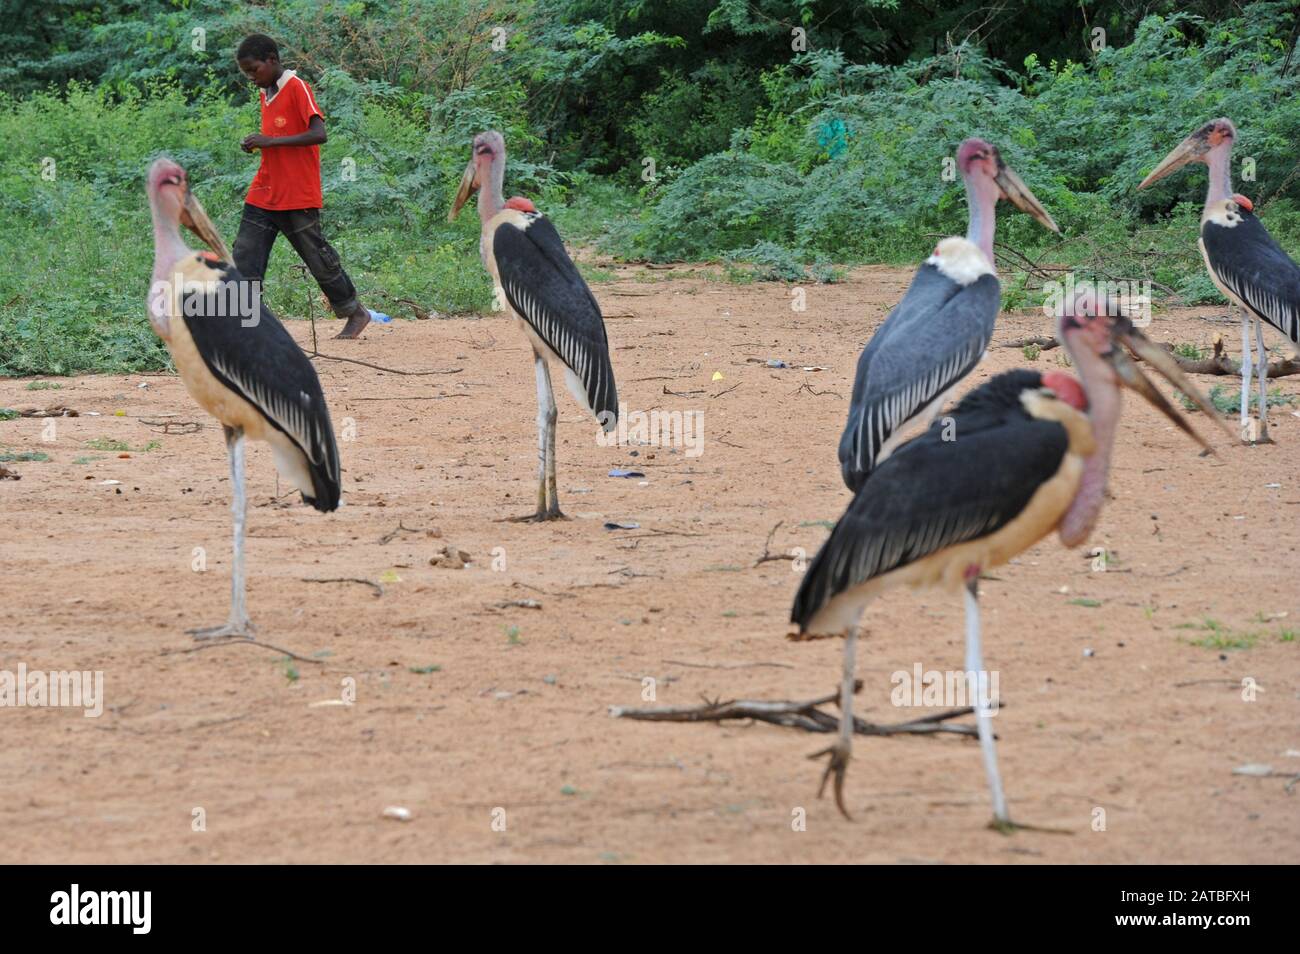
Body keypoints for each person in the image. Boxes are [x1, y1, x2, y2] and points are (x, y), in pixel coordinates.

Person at [232, 33, 373, 339]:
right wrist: (259, 143)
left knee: (317, 257)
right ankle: (247, 323)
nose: (252, 78)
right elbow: (279, 137)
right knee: (245, 253)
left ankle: (355, 311)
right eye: (247, 73)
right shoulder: (266, 92)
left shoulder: (297, 87)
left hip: (297, 193)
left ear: (272, 60)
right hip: (265, 189)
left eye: (254, 70)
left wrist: (270, 141)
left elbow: (318, 133)